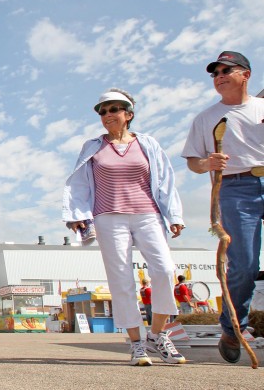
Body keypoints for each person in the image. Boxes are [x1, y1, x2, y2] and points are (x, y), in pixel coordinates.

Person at [63, 88, 186, 366]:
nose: (107, 115)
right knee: (120, 280)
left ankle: (157, 335)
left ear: (128, 114)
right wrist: (77, 213)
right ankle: (136, 343)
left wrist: (174, 215)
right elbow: (79, 182)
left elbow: (165, 179)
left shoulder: (148, 144)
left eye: (114, 109)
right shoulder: (93, 146)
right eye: (102, 111)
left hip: (148, 214)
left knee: (165, 270)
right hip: (108, 217)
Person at [182, 50, 264, 364]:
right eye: (215, 73)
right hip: (235, 188)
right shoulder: (205, 119)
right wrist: (207, 163)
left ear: (246, 74)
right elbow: (192, 163)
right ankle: (233, 327)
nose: (219, 77)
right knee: (245, 265)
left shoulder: (261, 108)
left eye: (226, 70)